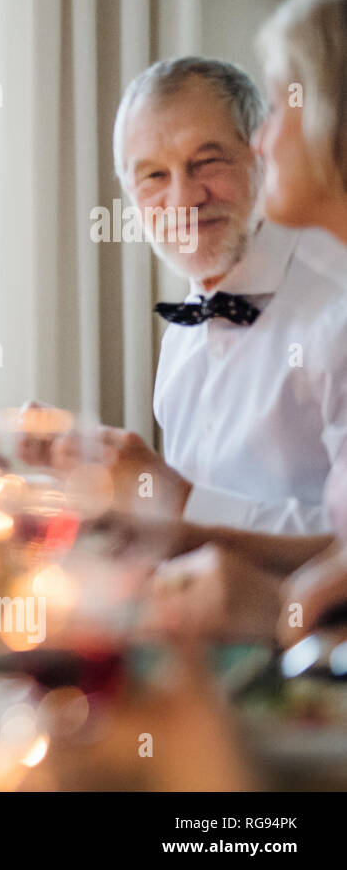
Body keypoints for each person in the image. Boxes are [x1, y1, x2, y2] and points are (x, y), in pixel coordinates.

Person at [79, 56, 347, 533]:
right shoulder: (181, 337)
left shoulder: (334, 306)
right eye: (154, 177)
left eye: (206, 163)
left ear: (261, 154)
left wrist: (179, 500)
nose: (183, 199)